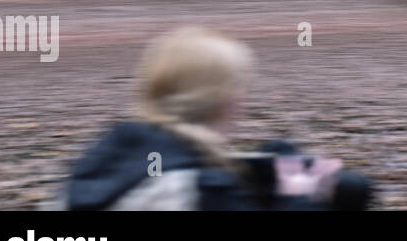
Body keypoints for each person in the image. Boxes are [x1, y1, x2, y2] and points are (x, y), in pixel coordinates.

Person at [56, 26, 370, 210]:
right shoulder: (205, 189)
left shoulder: (105, 153)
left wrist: (264, 166)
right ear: (223, 99)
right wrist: (300, 192)